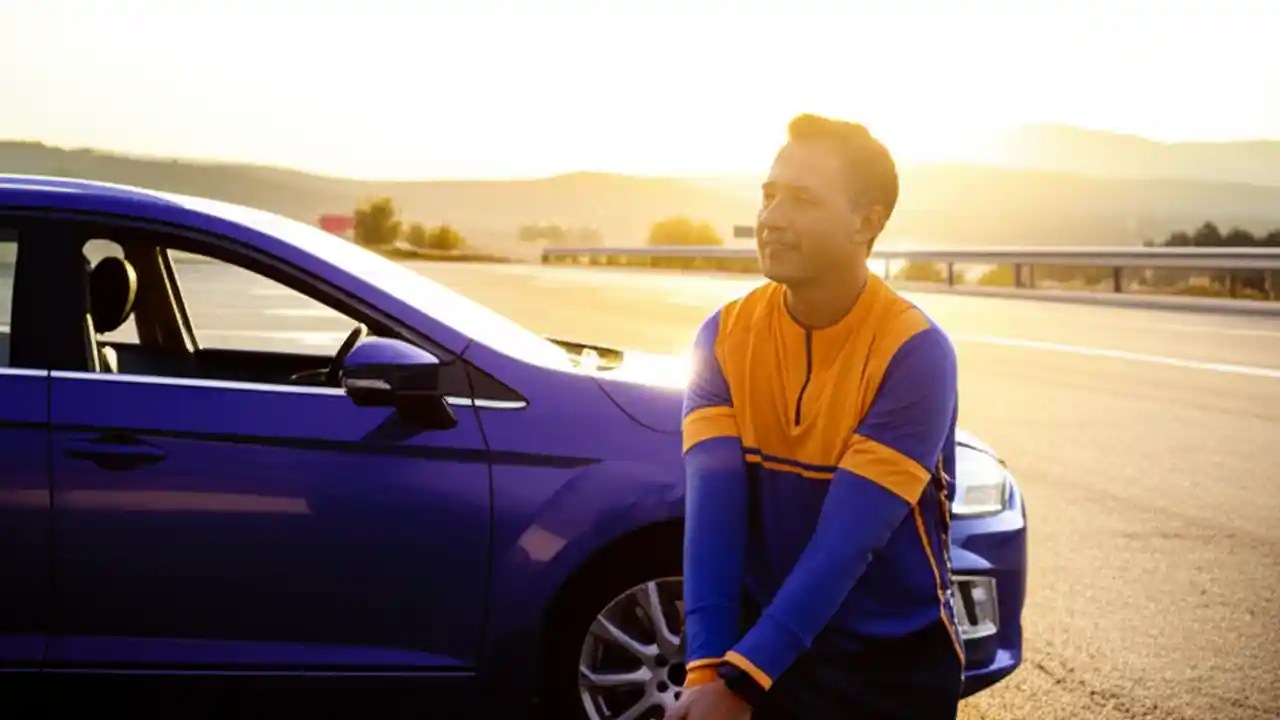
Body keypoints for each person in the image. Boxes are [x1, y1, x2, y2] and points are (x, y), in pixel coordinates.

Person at [666, 114, 964, 720]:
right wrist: (708, 671)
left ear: (867, 221)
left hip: (889, 665)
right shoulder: (722, 336)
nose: (771, 218)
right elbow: (714, 516)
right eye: (769, 195)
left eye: (801, 199)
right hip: (764, 650)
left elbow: (846, 543)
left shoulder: (914, 352)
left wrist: (741, 682)